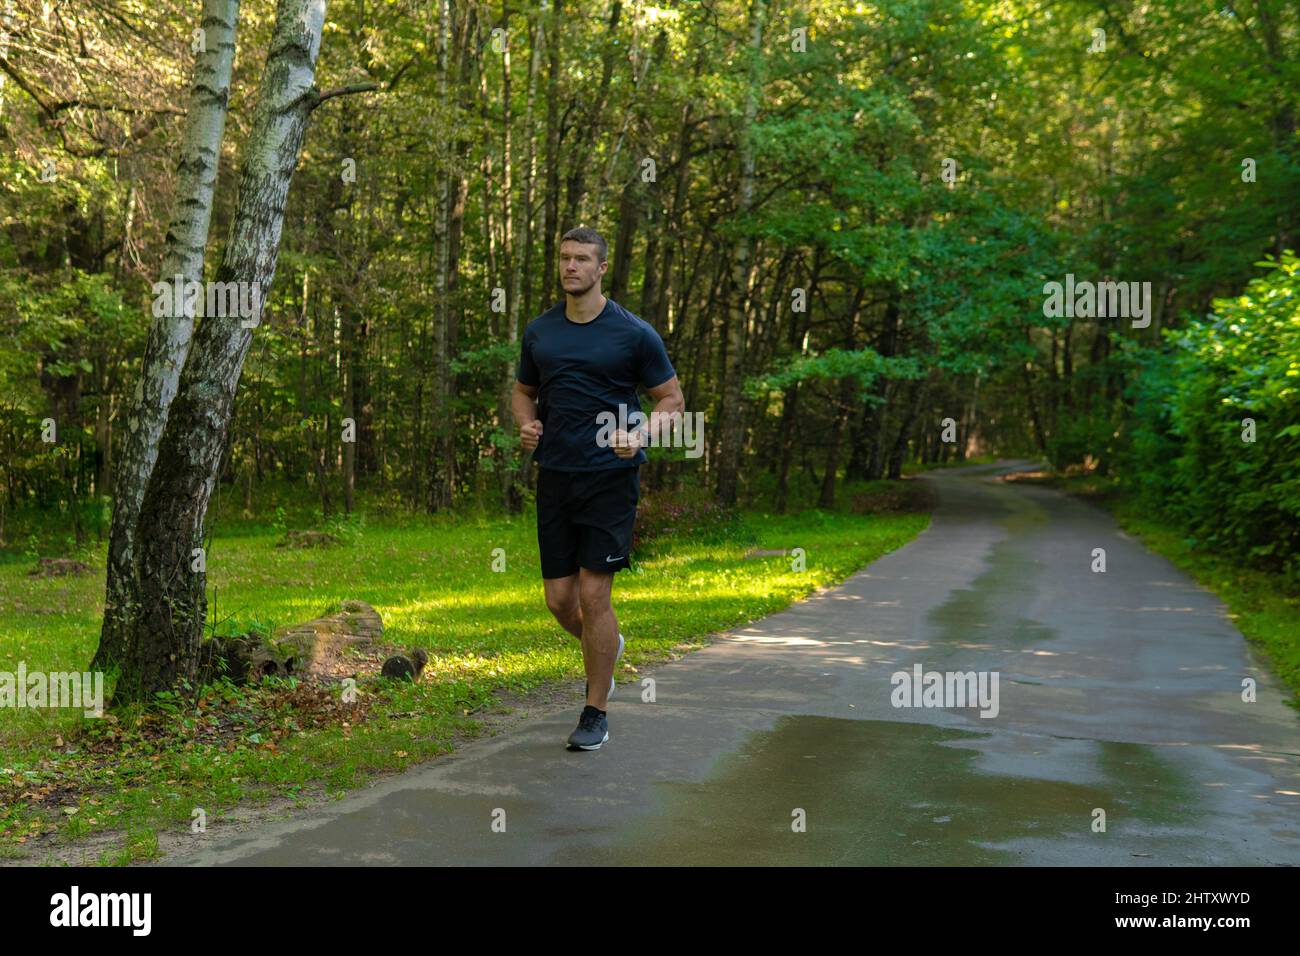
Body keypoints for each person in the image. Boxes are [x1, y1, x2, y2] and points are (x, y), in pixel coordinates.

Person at [512, 226, 684, 750]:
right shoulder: (541, 331)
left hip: (610, 479)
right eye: (564, 258)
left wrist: (641, 434)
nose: (571, 267)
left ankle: (595, 709)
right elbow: (523, 392)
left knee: (594, 593)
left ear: (601, 267)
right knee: (561, 602)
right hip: (556, 477)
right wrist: (526, 424)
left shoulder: (633, 334)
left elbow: (671, 400)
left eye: (582, 259)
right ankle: (606, 644)